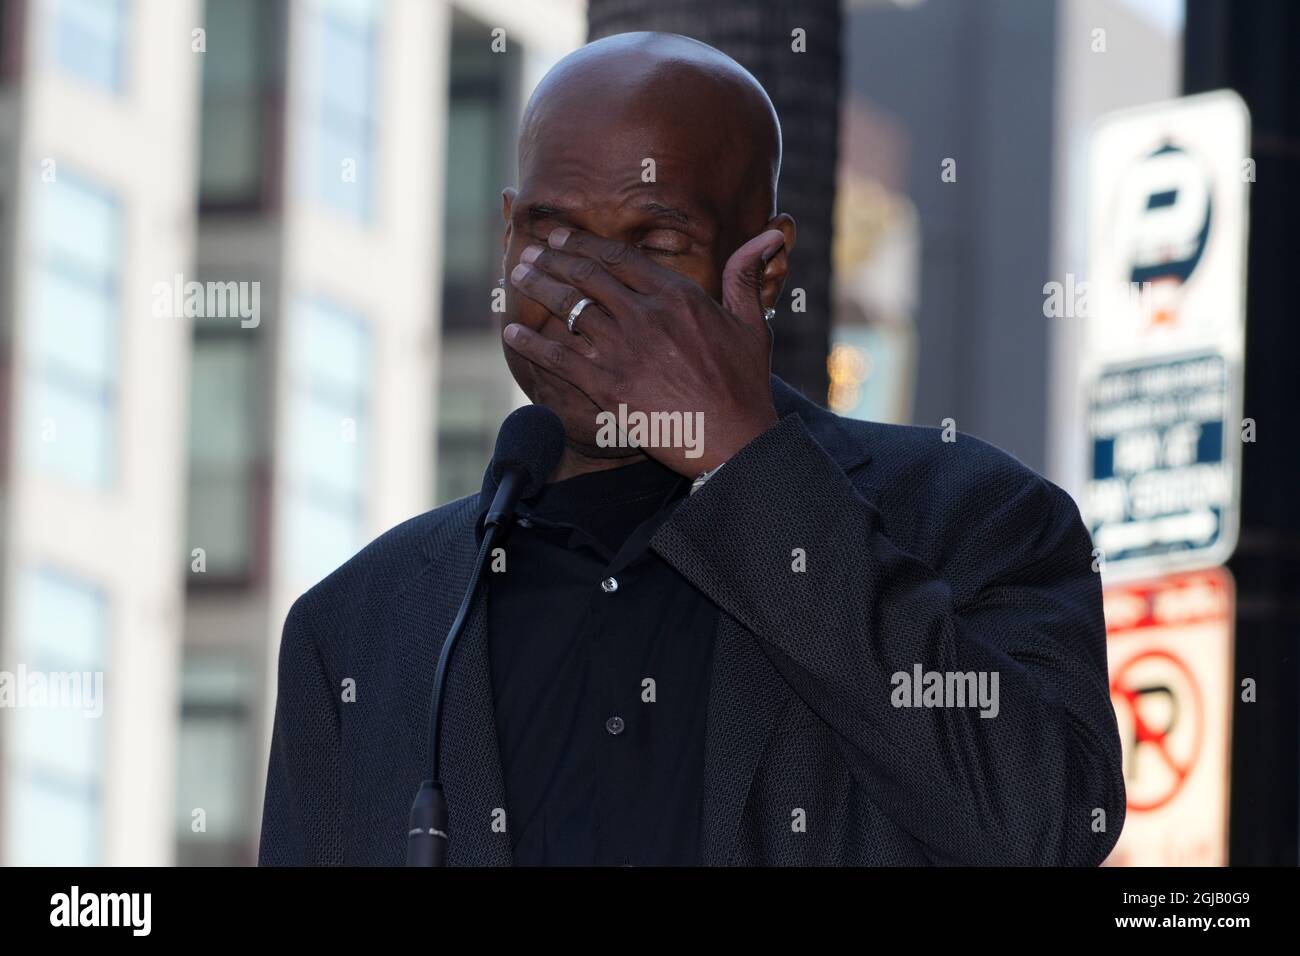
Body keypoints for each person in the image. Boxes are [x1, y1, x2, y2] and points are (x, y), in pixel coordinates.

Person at [259, 31, 1125, 866]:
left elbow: (1044, 827)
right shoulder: (358, 626)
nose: (588, 296)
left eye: (654, 245)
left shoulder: (972, 517)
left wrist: (747, 467)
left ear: (765, 270)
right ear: (508, 234)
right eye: (555, 235)